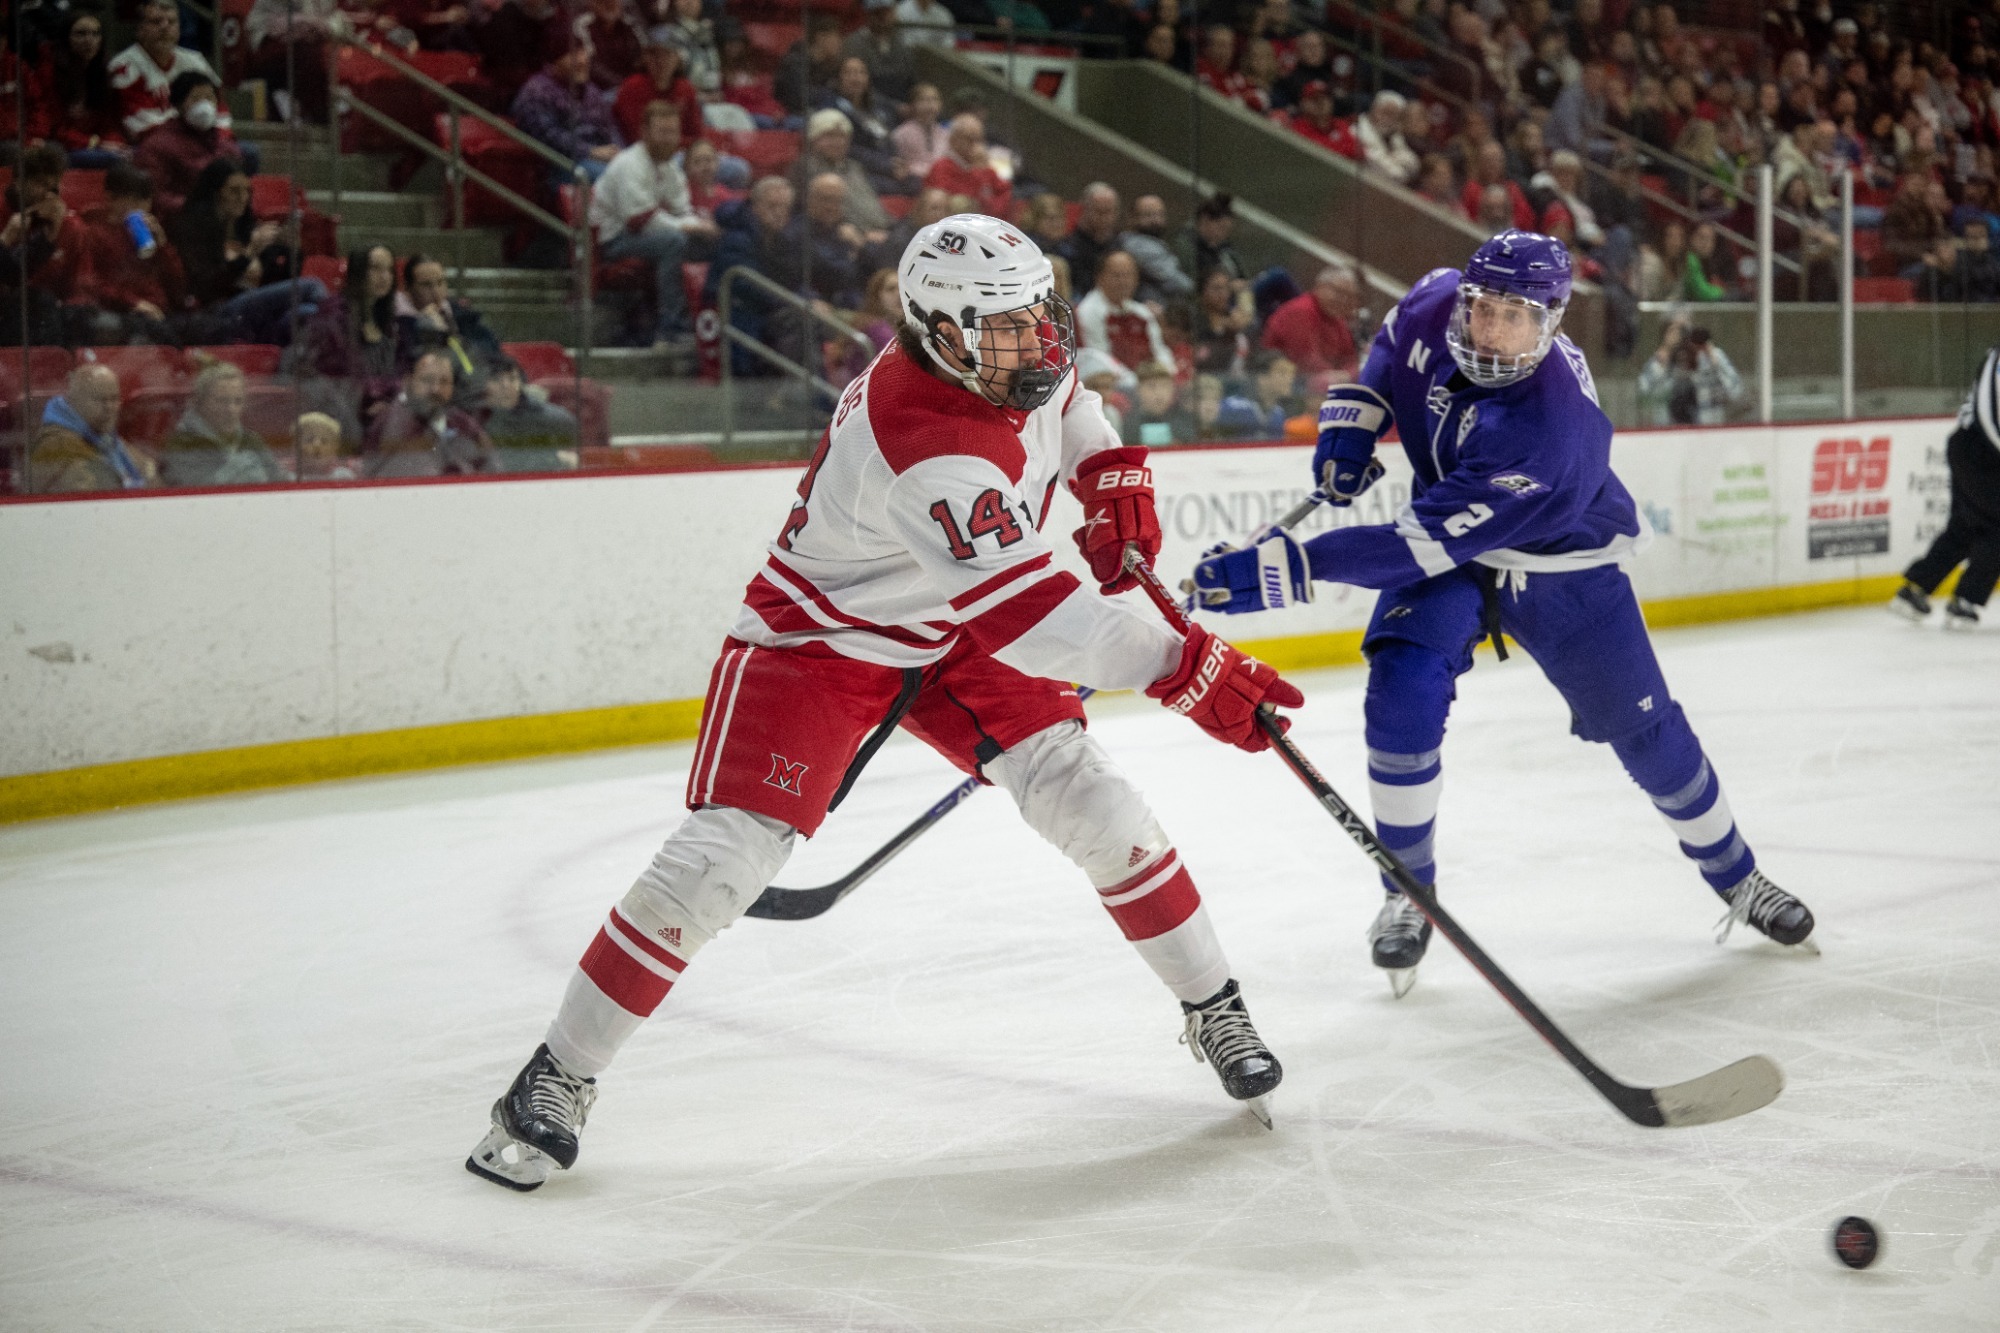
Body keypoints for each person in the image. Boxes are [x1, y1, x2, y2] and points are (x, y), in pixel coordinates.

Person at [465, 212, 1303, 1192]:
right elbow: (1030, 617)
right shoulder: (925, 434)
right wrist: (1186, 666)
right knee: (719, 861)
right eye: (1006, 323)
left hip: (955, 630)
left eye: (1039, 310)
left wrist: (1107, 471)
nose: (1035, 336)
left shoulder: (1002, 356)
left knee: (1093, 800)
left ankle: (1213, 1007)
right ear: (941, 331)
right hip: (824, 638)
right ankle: (552, 1077)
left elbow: (1071, 403)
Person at [1190, 230, 1817, 996]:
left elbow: (1411, 548)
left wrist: (1290, 566)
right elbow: (1390, 349)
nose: (1488, 329)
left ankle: (1738, 877)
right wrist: (1353, 419)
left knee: (1648, 732)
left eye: (1513, 317)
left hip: (1561, 565)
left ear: (1551, 324)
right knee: (1401, 690)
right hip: (1454, 540)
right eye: (1481, 308)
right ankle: (1406, 891)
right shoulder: (1432, 302)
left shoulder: (1551, 434)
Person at [1889, 345, 2000, 631]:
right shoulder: (1997, 357)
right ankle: (1964, 601)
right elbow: (1988, 414)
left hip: (1984, 452)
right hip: (1978, 450)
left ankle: (1915, 590)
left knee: (1965, 525)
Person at [592, 100, 719, 349]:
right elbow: (641, 222)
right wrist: (689, 227)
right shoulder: (630, 164)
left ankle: (700, 320)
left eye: (673, 132)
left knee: (711, 242)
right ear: (645, 132)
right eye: (662, 132)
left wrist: (703, 227)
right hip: (615, 240)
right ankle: (668, 329)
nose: (669, 139)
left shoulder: (669, 165)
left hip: (646, 234)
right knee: (675, 242)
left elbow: (683, 210)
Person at [166, 160, 327, 346]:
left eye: (247, 191)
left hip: (256, 315)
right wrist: (249, 253)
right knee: (312, 287)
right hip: (219, 312)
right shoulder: (193, 230)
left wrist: (293, 251)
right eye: (234, 191)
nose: (242, 197)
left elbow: (278, 282)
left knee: (306, 312)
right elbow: (207, 286)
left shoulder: (248, 231)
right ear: (216, 192)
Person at [107, 0, 232, 145]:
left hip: (196, 141)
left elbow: (221, 110)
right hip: (147, 146)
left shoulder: (195, 61)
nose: (165, 27)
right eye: (156, 22)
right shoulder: (124, 66)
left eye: (171, 22)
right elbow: (140, 126)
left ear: (179, 28)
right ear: (140, 29)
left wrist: (217, 136)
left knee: (246, 152)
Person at [30, 362, 156, 493]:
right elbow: (88, 497)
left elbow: (150, 475)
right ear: (75, 401)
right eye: (100, 400)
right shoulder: (56, 444)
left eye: (114, 399)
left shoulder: (106, 438)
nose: (109, 407)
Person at [366, 348, 495, 476]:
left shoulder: (464, 424)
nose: (435, 389)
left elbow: (493, 468)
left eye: (444, 382)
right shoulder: (389, 422)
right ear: (408, 382)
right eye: (427, 380)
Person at [512, 36, 622, 184]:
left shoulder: (591, 91)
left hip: (599, 157)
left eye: (583, 53)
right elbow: (548, 138)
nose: (582, 61)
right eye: (573, 55)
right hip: (560, 164)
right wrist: (589, 151)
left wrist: (619, 152)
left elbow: (609, 126)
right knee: (617, 179)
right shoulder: (537, 92)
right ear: (555, 62)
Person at [160, 361, 285, 486]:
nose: (231, 409)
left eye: (238, 401)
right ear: (200, 403)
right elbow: (193, 494)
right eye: (221, 401)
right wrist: (239, 470)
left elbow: (280, 480)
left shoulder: (251, 440)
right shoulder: (181, 445)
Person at [395, 254, 502, 398]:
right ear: (408, 289)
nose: (436, 291)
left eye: (440, 282)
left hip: (482, 387)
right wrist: (433, 331)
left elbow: (492, 352)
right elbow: (409, 365)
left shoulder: (463, 316)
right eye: (426, 285)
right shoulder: (399, 325)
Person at [30, 9, 127, 165]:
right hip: (62, 147)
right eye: (81, 34)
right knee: (112, 159)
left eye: (95, 34)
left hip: (96, 145)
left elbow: (111, 123)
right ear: (66, 38)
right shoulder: (49, 72)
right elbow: (53, 128)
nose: (89, 40)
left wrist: (113, 142)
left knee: (132, 153)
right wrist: (95, 143)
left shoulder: (105, 72)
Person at [1075, 251, 1173, 392]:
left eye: (1128, 275)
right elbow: (1100, 360)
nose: (1124, 281)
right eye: (1117, 275)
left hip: (1149, 388)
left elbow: (1160, 350)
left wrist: (1166, 375)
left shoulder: (1142, 313)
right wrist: (1137, 386)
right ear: (1100, 278)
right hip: (1112, 389)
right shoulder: (1088, 312)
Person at [1259, 265, 1360, 397]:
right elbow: (1306, 362)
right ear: (1319, 286)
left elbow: (1350, 359)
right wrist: (1342, 377)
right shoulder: (1301, 311)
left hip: (1312, 390)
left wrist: (1346, 375)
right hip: (1286, 391)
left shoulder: (1336, 320)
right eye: (1338, 292)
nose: (1343, 300)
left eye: (1348, 296)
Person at [1634, 318, 1744, 426]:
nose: (1682, 338)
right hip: (1669, 435)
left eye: (1685, 331)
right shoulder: (1661, 361)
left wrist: (1715, 362)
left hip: (1707, 434)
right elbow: (1642, 396)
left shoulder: (1712, 357)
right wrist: (1661, 365)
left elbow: (1736, 392)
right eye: (1675, 332)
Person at [479, 355, 580, 471]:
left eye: (512, 379)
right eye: (496, 380)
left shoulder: (549, 417)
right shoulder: (470, 419)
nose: (506, 386)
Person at [614, 35, 701, 146]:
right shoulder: (632, 87)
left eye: (667, 54)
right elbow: (637, 136)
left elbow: (696, 133)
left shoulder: (686, 88)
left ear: (678, 58)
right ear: (645, 58)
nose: (661, 61)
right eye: (654, 55)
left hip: (681, 151)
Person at [923, 113, 1011, 219]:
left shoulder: (983, 167)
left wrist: (992, 210)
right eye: (969, 139)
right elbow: (952, 204)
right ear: (954, 140)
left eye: (979, 139)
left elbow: (1005, 192)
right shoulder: (942, 166)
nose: (976, 145)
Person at [1118, 194, 1194, 306]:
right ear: (1132, 218)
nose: (1156, 220)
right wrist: (1201, 291)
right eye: (1148, 215)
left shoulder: (1157, 243)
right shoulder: (1135, 244)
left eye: (1160, 215)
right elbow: (1172, 280)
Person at [1057, 181, 1122, 296]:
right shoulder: (1067, 248)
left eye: (1109, 211)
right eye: (1099, 211)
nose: (1105, 218)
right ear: (1084, 209)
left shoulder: (1120, 244)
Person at [843, 0, 914, 104]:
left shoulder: (901, 42)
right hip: (870, 103)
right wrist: (893, 106)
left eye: (887, 12)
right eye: (878, 13)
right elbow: (858, 85)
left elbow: (912, 79)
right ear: (868, 15)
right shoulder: (855, 43)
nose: (883, 18)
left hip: (904, 100)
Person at [1355, 89, 1420, 185]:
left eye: (1394, 116)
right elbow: (1377, 164)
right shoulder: (1357, 128)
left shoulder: (1394, 136)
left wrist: (1387, 159)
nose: (1387, 119)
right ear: (1373, 109)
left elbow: (1413, 163)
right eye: (1385, 112)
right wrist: (1393, 159)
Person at [891, 82, 949, 186]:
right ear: (913, 105)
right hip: (915, 182)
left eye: (934, 99)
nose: (930, 105)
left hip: (941, 181)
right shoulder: (902, 133)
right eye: (924, 100)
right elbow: (901, 166)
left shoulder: (944, 134)